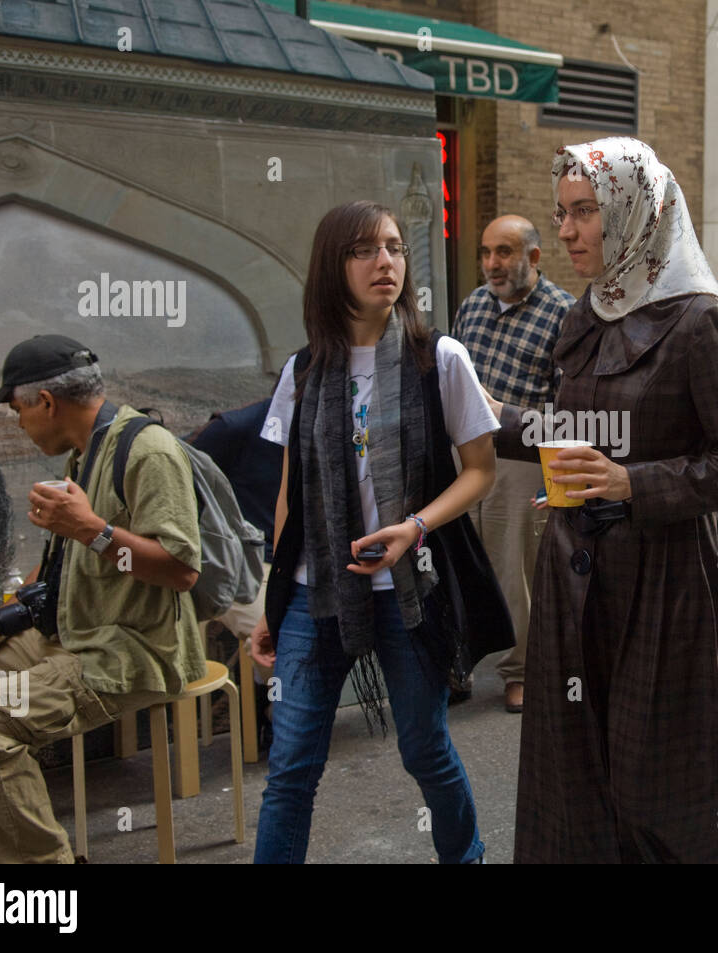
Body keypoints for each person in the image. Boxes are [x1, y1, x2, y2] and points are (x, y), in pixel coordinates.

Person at [485, 137, 718, 864]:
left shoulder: (697, 320)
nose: (567, 232)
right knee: (576, 775)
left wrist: (630, 484)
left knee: (661, 778)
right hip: (573, 572)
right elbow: (589, 431)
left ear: (635, 211)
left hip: (662, 581)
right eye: (562, 214)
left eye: (584, 212)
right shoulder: (585, 316)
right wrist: (496, 418)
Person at [247, 200, 508, 864]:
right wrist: (271, 603)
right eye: (364, 250)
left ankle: (465, 855)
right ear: (332, 267)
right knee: (292, 765)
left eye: (393, 248)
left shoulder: (438, 360)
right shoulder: (303, 371)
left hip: (408, 590)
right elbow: (289, 495)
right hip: (314, 593)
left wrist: (414, 526)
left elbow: (480, 471)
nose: (384, 262)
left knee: (424, 747)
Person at [0, 335, 204, 863]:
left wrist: (94, 531)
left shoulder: (147, 451)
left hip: (125, 652)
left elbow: (181, 572)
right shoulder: (85, 453)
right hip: (67, 634)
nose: (18, 424)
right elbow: (56, 574)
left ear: (46, 403)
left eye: (16, 411)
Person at [453, 215, 574, 712]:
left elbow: (571, 418)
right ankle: (457, 665)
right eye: (486, 253)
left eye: (504, 252)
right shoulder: (472, 307)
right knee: (456, 566)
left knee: (514, 572)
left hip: (521, 461)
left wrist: (504, 414)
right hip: (462, 456)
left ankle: (520, 672)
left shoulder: (566, 314)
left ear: (534, 257)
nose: (492, 264)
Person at [187, 398, 281, 752]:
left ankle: (269, 699)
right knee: (287, 635)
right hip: (240, 564)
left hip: (304, 560)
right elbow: (179, 480)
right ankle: (274, 715)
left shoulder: (338, 428)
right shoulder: (233, 429)